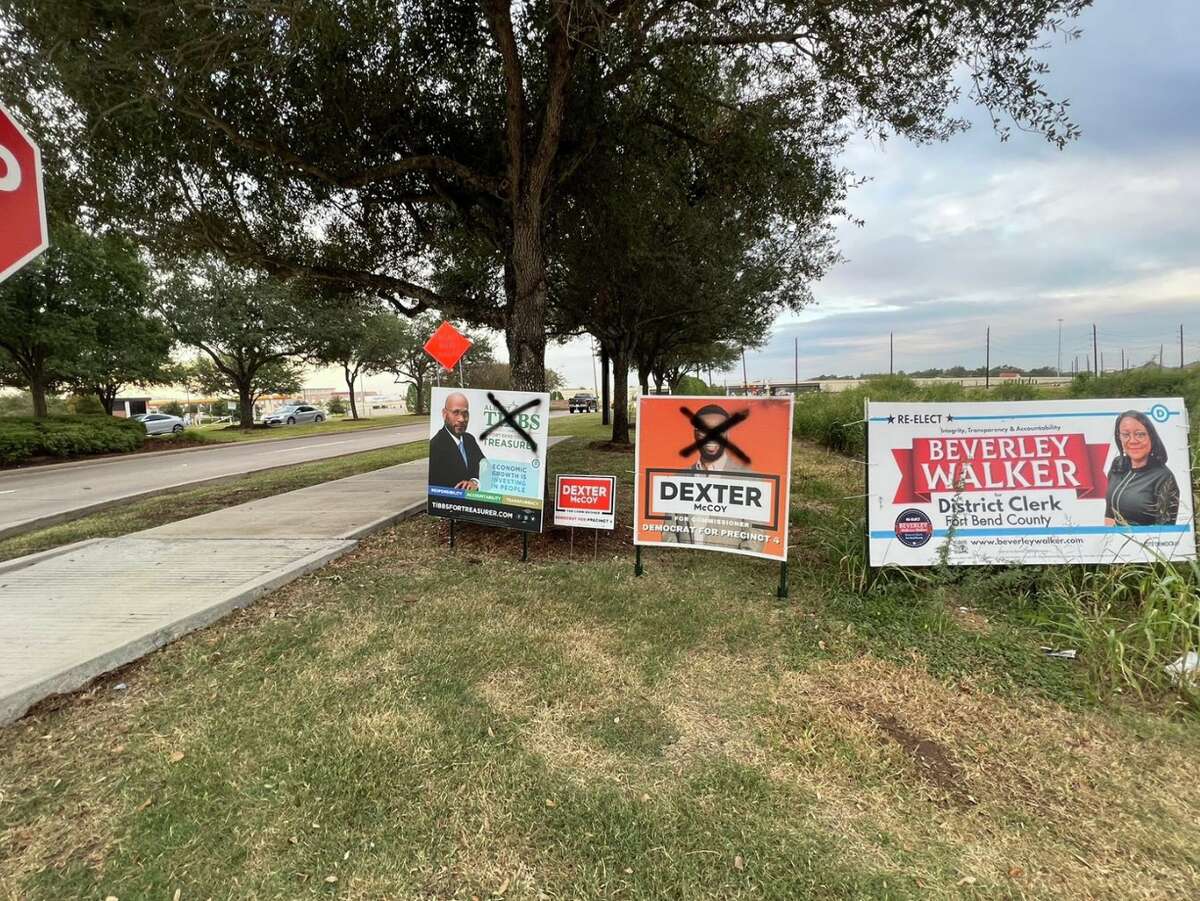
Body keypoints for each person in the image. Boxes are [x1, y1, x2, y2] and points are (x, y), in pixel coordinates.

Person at [667, 403, 765, 554]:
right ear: (695, 434)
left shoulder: (749, 480)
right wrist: (677, 562)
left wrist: (732, 569)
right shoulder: (679, 479)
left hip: (726, 571)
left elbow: (755, 537)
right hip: (684, 569)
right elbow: (668, 530)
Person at [1104, 410, 1179, 526]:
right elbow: (1109, 514)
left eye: (1140, 434)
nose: (1133, 441)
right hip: (1113, 542)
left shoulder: (1164, 477)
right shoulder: (1118, 464)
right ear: (1119, 438)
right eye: (1125, 435)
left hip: (1143, 542)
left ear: (1152, 437)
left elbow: (1164, 532)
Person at [429, 392, 486, 490]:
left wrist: (474, 481)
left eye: (465, 413)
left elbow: (485, 466)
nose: (462, 419)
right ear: (444, 414)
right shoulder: (435, 447)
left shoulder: (469, 439)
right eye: (456, 412)